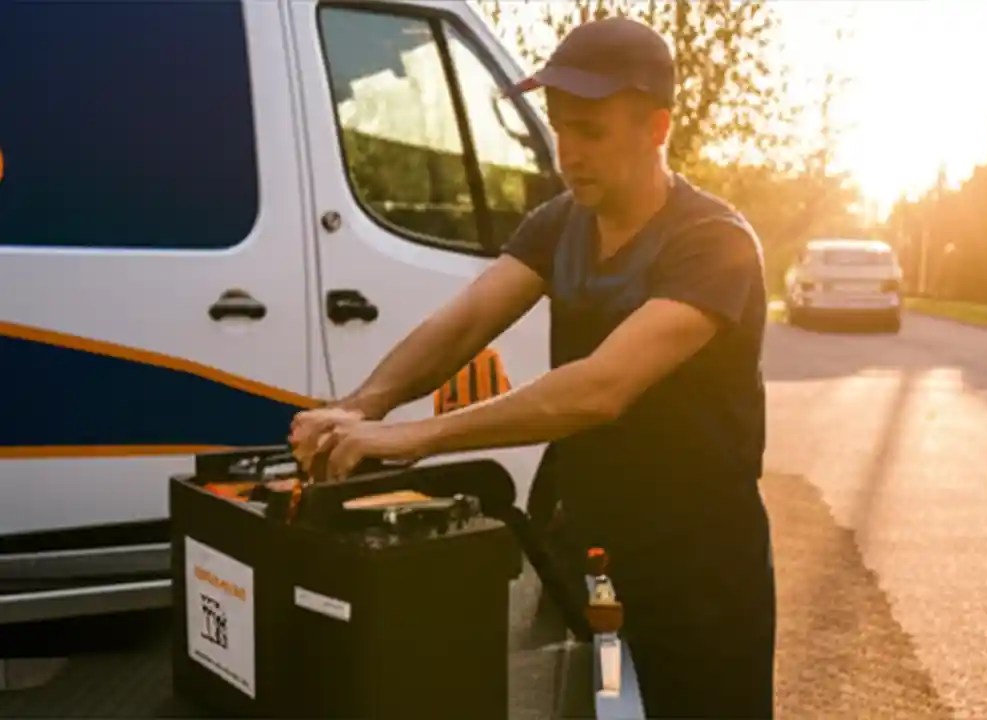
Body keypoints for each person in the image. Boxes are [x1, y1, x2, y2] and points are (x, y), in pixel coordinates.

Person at [289, 16, 775, 719]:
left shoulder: (713, 246)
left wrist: (413, 438)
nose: (567, 152)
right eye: (559, 128)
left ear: (657, 128)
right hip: (598, 558)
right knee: (612, 706)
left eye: (592, 131)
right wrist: (364, 406)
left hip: (701, 570)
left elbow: (601, 388)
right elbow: (463, 321)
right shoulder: (559, 225)